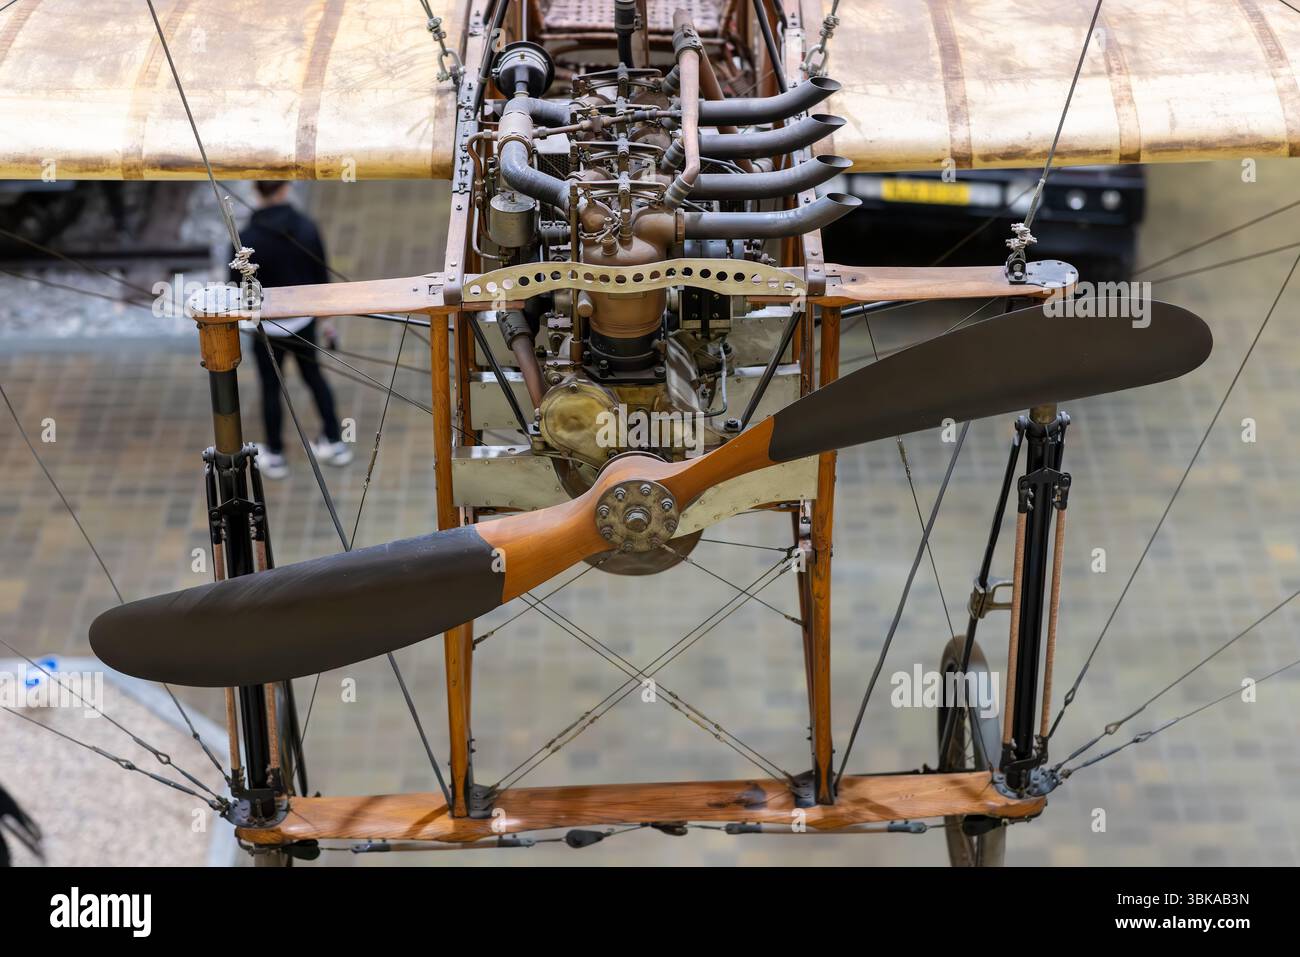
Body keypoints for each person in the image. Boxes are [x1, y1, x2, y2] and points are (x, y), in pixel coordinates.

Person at [230, 181, 352, 480]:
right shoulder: (307, 228)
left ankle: (275, 454)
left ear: (256, 192)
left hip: (267, 328)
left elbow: (235, 287)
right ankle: (335, 442)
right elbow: (320, 275)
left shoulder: (247, 239)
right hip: (304, 321)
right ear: (285, 189)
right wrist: (326, 320)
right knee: (314, 378)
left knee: (272, 388)